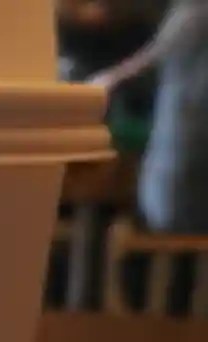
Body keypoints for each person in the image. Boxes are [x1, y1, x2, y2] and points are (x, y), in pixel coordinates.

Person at [90, 1, 208, 310]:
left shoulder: (191, 15)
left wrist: (106, 81)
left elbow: (154, 57)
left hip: (169, 197)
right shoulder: (191, 16)